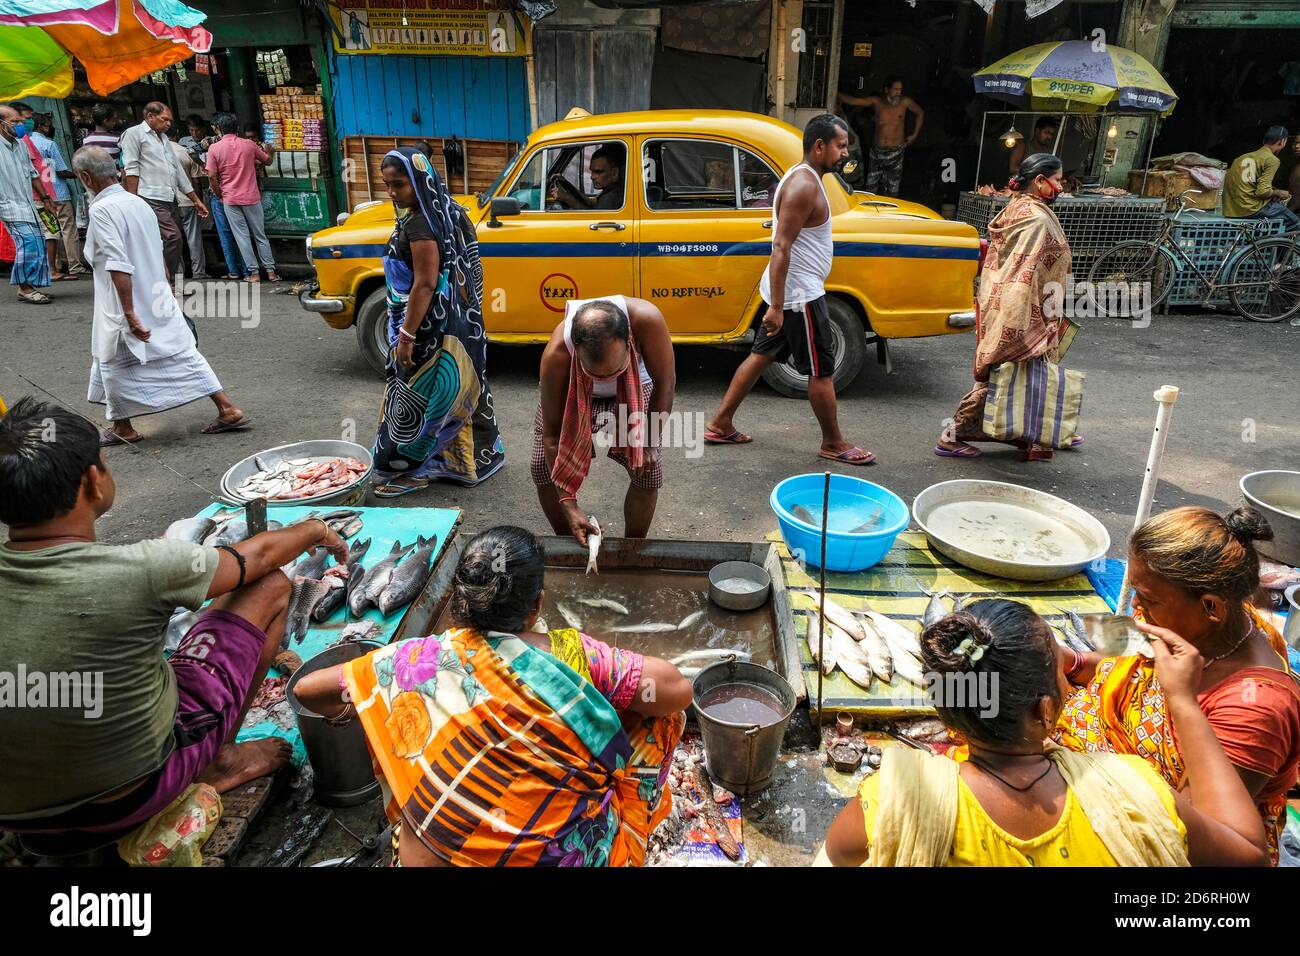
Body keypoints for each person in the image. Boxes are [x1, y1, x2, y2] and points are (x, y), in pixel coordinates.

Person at [0, 398, 352, 841]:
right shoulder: (141, 568)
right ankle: (217, 758)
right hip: (128, 799)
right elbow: (258, 558)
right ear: (93, 480)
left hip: (18, 821)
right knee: (271, 588)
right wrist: (316, 530)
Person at [291, 526, 691, 866]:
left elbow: (307, 690)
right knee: (657, 717)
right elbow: (677, 690)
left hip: (429, 853)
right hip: (550, 855)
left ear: (459, 601)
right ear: (537, 605)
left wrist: (370, 704)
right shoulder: (573, 655)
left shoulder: (416, 659)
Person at [820, 599, 1269, 866]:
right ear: (1047, 708)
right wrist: (1184, 702)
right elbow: (1248, 854)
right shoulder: (1136, 790)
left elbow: (840, 856)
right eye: (1062, 672)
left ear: (948, 711)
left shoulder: (892, 798)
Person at [1054, 506, 1300, 865]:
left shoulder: (1256, 709)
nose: (1136, 608)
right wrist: (1073, 662)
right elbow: (1130, 667)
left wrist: (1181, 699)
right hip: (1097, 745)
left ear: (1211, 607)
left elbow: (1187, 829)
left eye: (1149, 599)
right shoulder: (1205, 632)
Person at [704, 114, 875, 466]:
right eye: (841, 146)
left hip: (791, 292)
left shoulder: (805, 178)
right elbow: (781, 247)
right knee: (821, 369)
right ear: (819, 146)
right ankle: (833, 443)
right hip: (799, 297)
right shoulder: (804, 186)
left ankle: (720, 423)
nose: (845, 153)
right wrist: (778, 307)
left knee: (760, 356)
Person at [73, 146, 248, 445]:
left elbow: (117, 264)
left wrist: (129, 312)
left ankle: (123, 428)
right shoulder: (137, 202)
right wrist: (165, 286)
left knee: (112, 358)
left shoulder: (102, 209)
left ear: (86, 178)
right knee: (180, 351)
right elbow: (157, 250)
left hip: (125, 299)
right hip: (154, 291)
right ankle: (226, 407)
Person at [371, 148, 504, 496]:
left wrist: (406, 335)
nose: (392, 193)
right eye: (386, 185)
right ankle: (471, 460)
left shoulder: (419, 223)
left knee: (421, 395)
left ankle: (416, 470)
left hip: (428, 326)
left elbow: (425, 283)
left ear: (418, 181)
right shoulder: (450, 211)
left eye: (399, 185)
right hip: (460, 322)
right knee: (461, 390)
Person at [935, 152, 1080, 462]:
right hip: (1024, 310)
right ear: (1040, 181)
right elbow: (1024, 271)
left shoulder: (1018, 209)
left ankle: (1039, 433)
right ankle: (952, 435)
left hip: (1016, 305)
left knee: (1033, 378)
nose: (1060, 187)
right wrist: (1027, 320)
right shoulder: (1036, 219)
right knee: (1003, 376)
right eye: (1056, 181)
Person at [534, 296, 674, 543]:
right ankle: (570, 541)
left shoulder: (647, 321)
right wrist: (568, 504)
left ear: (629, 340)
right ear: (576, 350)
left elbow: (666, 383)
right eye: (596, 373)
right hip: (574, 391)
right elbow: (552, 437)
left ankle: (633, 546)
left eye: (613, 370)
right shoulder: (557, 353)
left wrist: (650, 441)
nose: (605, 378)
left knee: (648, 470)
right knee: (541, 468)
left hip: (635, 387)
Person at [119, 102, 208, 279]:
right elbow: (131, 168)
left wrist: (196, 200)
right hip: (149, 196)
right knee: (173, 237)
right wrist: (132, 200)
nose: (168, 124)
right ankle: (164, 279)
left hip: (168, 197)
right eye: (164, 119)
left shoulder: (164, 139)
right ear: (150, 116)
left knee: (165, 240)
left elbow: (177, 171)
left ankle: (164, 281)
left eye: (170, 120)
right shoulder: (134, 134)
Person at [206, 113, 279, 282]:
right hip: (251, 197)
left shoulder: (214, 148)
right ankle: (271, 272)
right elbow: (267, 161)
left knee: (242, 237)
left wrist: (220, 195)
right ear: (237, 129)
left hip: (230, 198)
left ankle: (253, 274)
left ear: (219, 130)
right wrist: (270, 152)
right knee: (260, 235)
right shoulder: (249, 145)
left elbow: (211, 176)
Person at [0, 105, 54, 304]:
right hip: (8, 205)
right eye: (15, 122)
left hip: (27, 203)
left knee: (38, 242)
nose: (21, 125)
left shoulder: (21, 144)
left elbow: (32, 174)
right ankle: (24, 288)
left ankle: (29, 286)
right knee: (29, 243)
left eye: (21, 121)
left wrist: (46, 198)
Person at [835, 77, 924, 197]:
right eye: (895, 89)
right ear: (887, 89)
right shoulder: (876, 102)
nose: (899, 92)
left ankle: (888, 214)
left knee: (893, 190)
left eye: (900, 89)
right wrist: (834, 92)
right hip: (877, 152)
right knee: (870, 189)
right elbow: (853, 101)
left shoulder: (905, 102)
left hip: (896, 152)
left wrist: (915, 134)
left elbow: (920, 112)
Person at [30, 112, 88, 281]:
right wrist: (79, 174)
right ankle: (75, 265)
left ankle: (55, 264)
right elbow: (60, 172)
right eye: (48, 125)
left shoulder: (25, 144)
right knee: (68, 229)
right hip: (58, 193)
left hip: (39, 194)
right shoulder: (49, 144)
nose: (50, 128)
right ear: (41, 126)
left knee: (49, 231)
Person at [1223, 126, 1300, 231]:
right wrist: (1278, 193)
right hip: (1251, 210)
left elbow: (1248, 184)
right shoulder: (1272, 160)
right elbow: (1262, 192)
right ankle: (1275, 245)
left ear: (1264, 141)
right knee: (1295, 222)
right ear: (1282, 142)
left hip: (1231, 210)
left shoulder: (1241, 158)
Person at [169, 129, 207, 278]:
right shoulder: (185, 152)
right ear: (176, 133)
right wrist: (198, 202)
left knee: (174, 238)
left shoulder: (157, 153)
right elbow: (196, 181)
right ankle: (199, 271)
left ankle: (178, 272)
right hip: (189, 201)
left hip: (169, 201)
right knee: (194, 238)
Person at [550, 143, 624, 210]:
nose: (592, 177)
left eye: (598, 172)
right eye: (592, 171)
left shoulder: (612, 197)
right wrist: (566, 183)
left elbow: (592, 217)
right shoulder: (609, 190)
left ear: (614, 173)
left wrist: (566, 198)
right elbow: (590, 201)